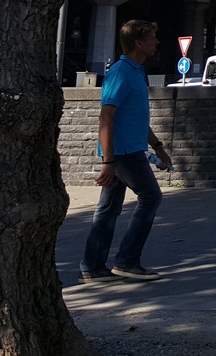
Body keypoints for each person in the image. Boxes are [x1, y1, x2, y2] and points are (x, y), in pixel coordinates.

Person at [80, 20, 173, 283]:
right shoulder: (121, 72)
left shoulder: (136, 71)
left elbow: (136, 118)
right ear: (138, 43)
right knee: (151, 197)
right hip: (122, 153)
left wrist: (157, 147)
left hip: (130, 150)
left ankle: (92, 268)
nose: (157, 42)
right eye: (153, 37)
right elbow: (106, 116)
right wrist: (108, 160)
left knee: (107, 209)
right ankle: (127, 261)